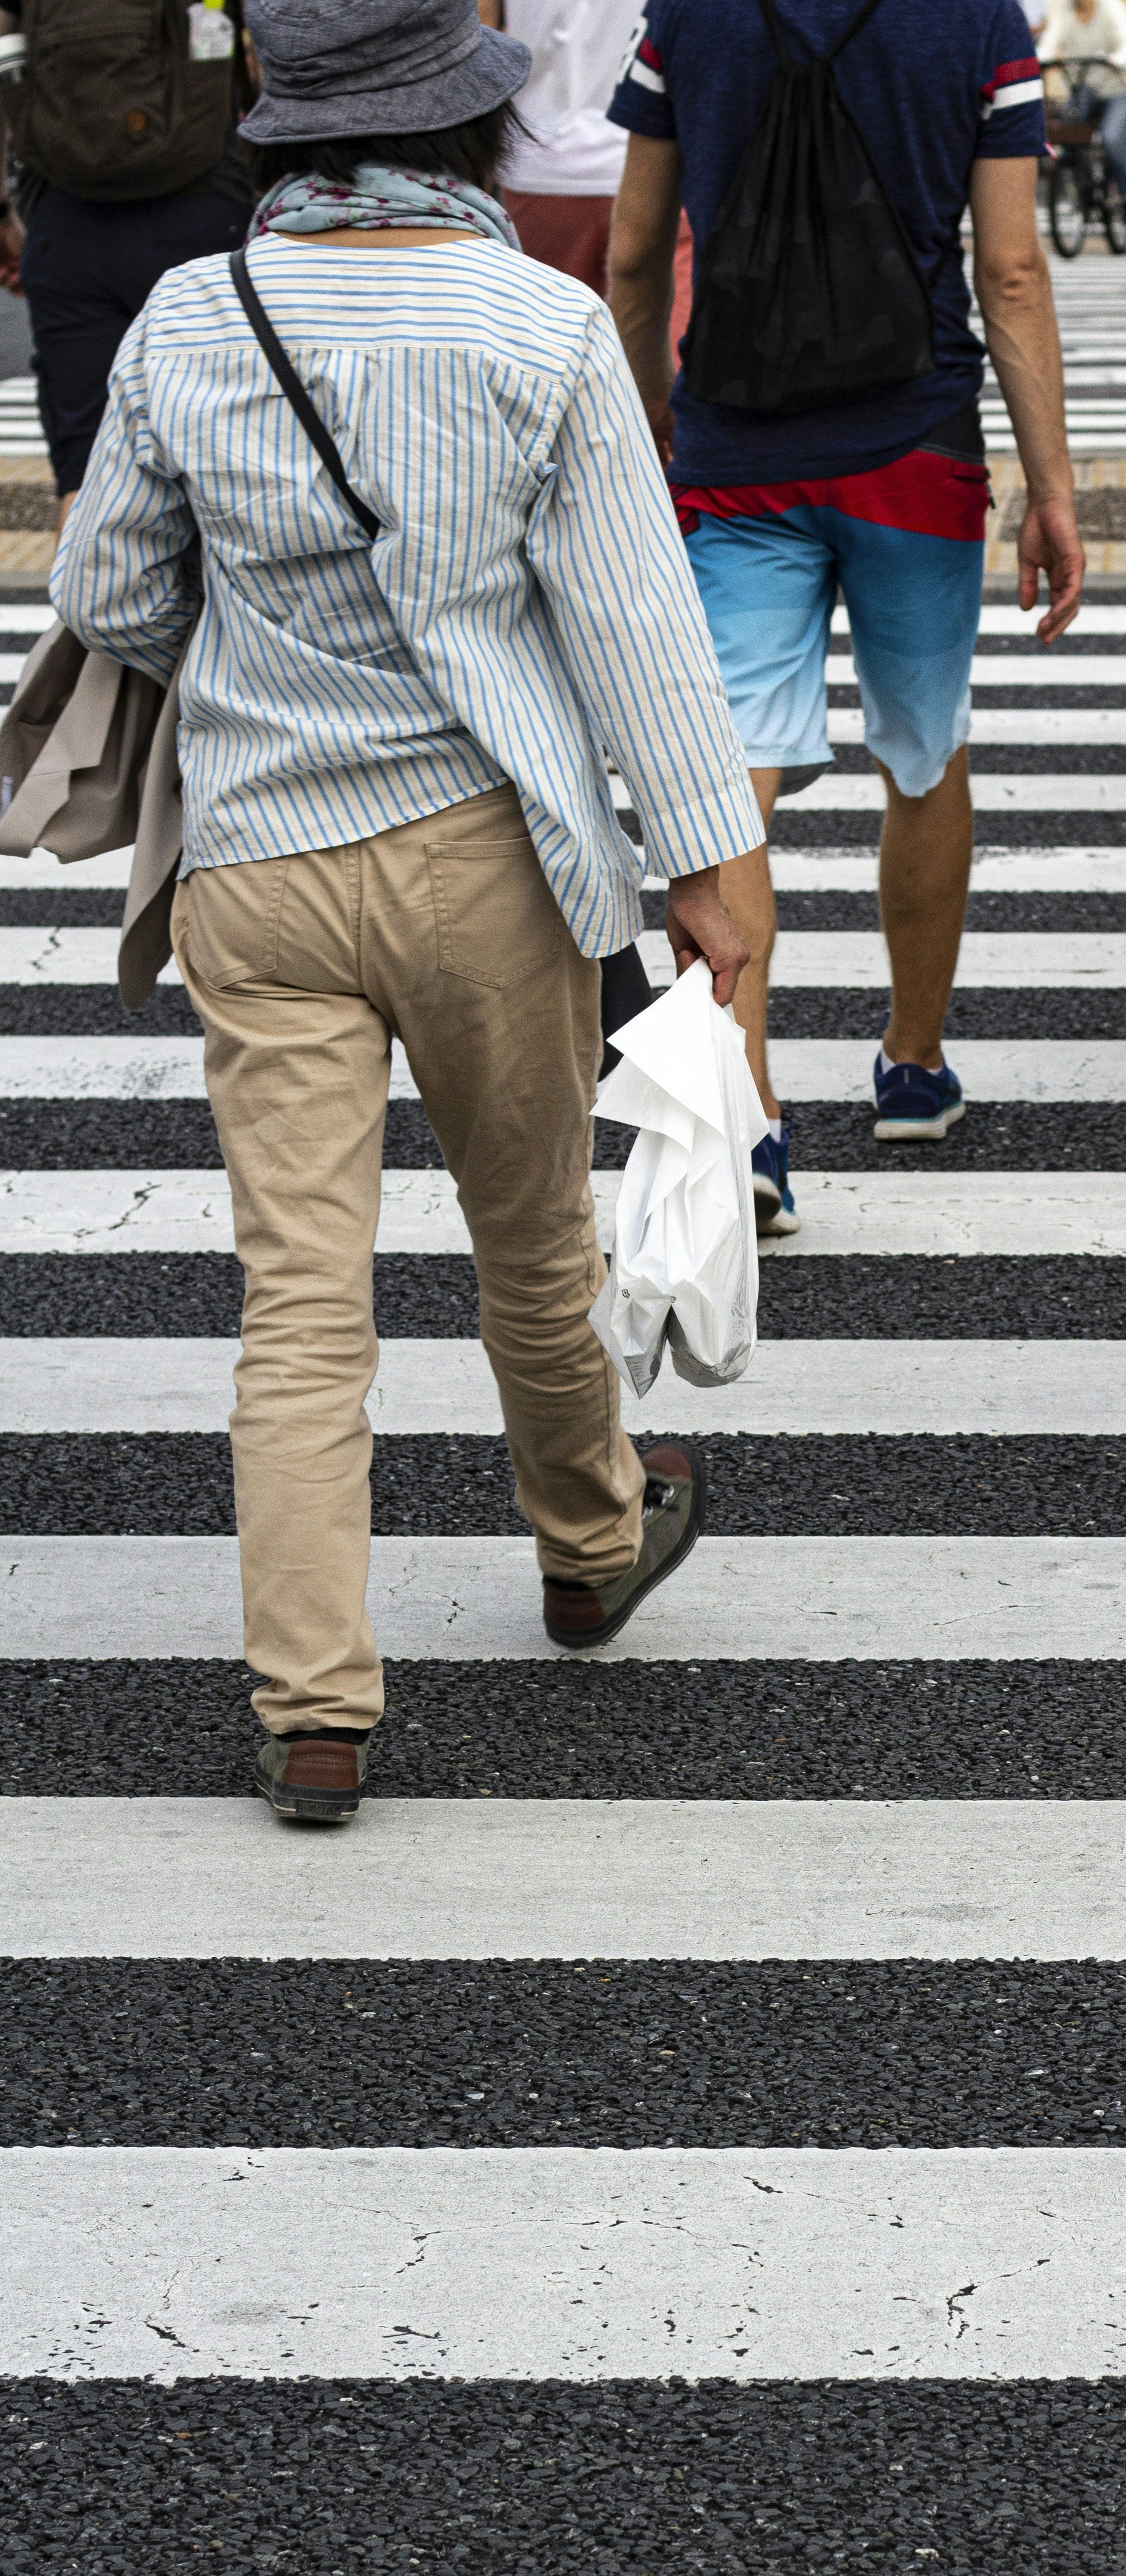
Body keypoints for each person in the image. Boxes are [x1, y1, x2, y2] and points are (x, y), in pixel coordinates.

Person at [51, 0, 763, 1822]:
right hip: (481, 859)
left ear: (278, 133)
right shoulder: (540, 325)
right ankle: (593, 1542)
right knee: (528, 1242)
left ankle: (315, 1706)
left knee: (299, 1302)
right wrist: (716, 874)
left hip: (259, 868)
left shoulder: (190, 320)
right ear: (464, 128)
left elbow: (112, 586)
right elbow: (632, 623)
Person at [606, 0, 1084, 1235]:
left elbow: (635, 252)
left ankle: (749, 1122)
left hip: (735, 447)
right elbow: (1013, 268)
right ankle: (913, 1065)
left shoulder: (687, 17)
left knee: (732, 780)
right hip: (912, 443)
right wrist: (1054, 488)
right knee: (922, 753)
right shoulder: (979, 21)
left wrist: (656, 419)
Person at [0, 0, 257, 523]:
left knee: (86, 475)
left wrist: (3, 214)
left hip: (66, 217)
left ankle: (83, 601)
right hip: (207, 212)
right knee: (225, 463)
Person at [473, 0, 634, 296]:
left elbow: (477, 35)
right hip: (650, 159)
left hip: (542, 156)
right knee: (656, 332)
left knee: (549, 331)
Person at [1038, 0, 1126, 210]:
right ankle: (1079, 178)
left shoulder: (1110, 8)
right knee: (1067, 126)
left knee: (1112, 137)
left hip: (1120, 90)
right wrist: (1040, 60)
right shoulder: (1064, 11)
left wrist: (1116, 59)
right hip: (1085, 87)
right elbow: (1050, 42)